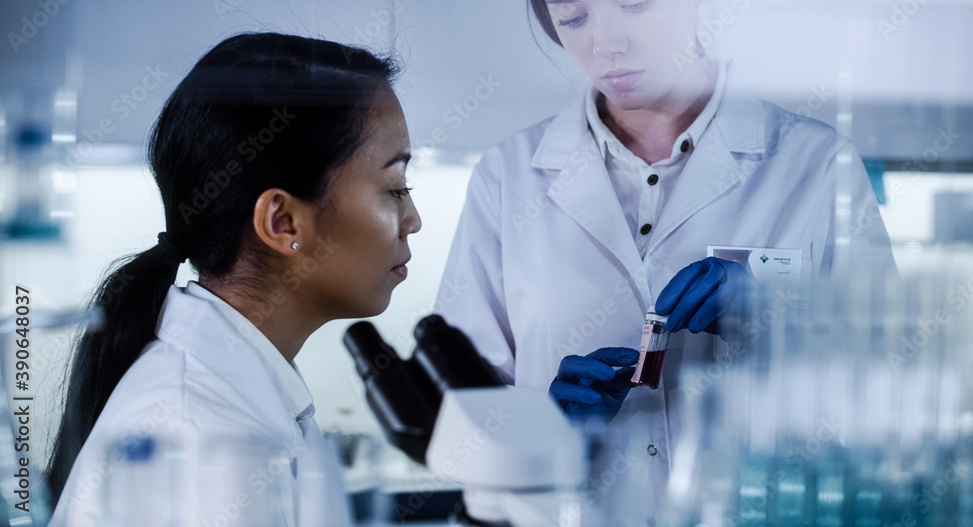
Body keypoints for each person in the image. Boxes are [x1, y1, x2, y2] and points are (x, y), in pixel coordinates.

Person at [434, 0, 894, 520]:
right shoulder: (507, 176)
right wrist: (536, 428)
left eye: (633, 4)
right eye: (574, 17)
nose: (606, 44)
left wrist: (777, 317)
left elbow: (891, 391)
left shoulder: (815, 165)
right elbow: (456, 419)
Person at [45, 33, 420, 526]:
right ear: (283, 222)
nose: (412, 219)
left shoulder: (235, 387)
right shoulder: (195, 437)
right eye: (395, 188)